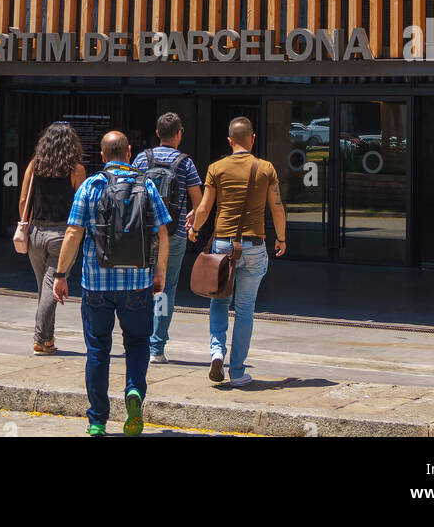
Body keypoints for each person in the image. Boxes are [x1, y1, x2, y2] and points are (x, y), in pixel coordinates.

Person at [52, 130, 170, 437]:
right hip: (137, 283)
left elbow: (73, 233)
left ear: (102, 156)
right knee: (138, 341)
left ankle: (97, 420)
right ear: (129, 152)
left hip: (96, 285)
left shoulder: (90, 186)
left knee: (97, 349)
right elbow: (162, 233)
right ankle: (134, 392)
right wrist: (160, 273)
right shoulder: (147, 185)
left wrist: (61, 275)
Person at [187, 115, 286, 387]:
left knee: (218, 300)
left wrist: (195, 230)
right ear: (253, 138)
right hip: (254, 244)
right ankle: (238, 371)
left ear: (230, 141)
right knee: (245, 309)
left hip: (222, 245)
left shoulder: (216, 168)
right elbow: (276, 207)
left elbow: (205, 208)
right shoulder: (266, 168)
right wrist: (281, 238)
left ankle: (217, 351)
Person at [132, 111, 202, 363]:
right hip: (174, 235)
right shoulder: (186, 163)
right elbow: (199, 203)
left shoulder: (141, 159)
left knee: (140, 286)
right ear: (179, 133)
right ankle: (156, 348)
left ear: (158, 132)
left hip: (143, 235)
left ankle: (136, 338)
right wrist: (192, 225)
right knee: (165, 289)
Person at [18, 122, 86, 355]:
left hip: (36, 233)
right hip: (62, 235)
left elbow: (22, 201)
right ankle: (39, 339)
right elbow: (81, 206)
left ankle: (48, 340)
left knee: (45, 288)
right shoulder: (76, 170)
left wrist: (25, 226)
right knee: (51, 287)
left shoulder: (34, 165)